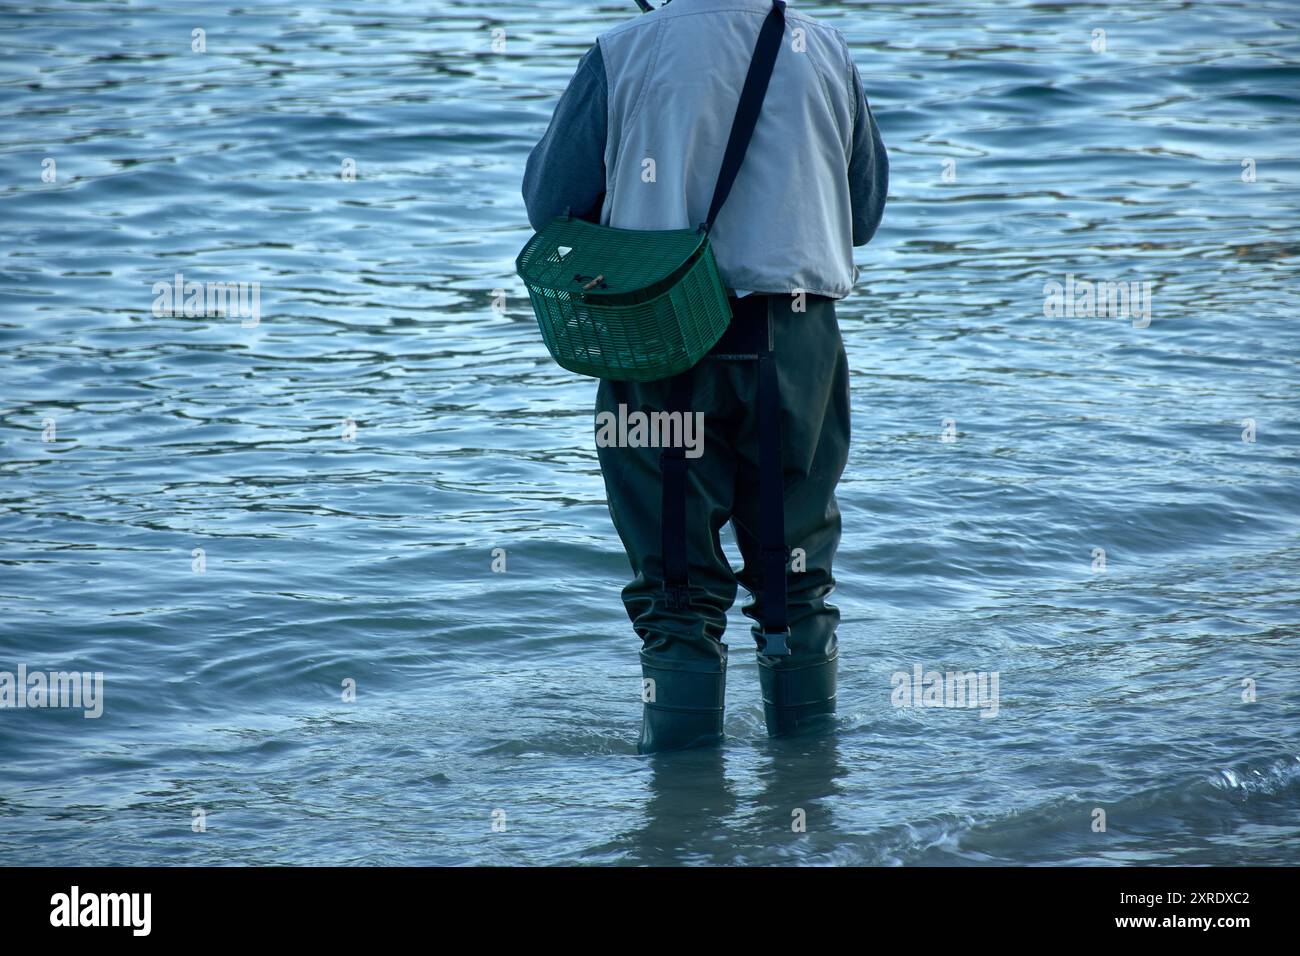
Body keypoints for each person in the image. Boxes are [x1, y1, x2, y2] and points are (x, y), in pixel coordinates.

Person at [522, 0, 888, 753]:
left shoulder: (622, 50)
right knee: (796, 583)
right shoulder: (825, 50)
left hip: (660, 340)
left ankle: (679, 823)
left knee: (676, 594)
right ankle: (810, 800)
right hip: (798, 343)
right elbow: (864, 211)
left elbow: (549, 206)